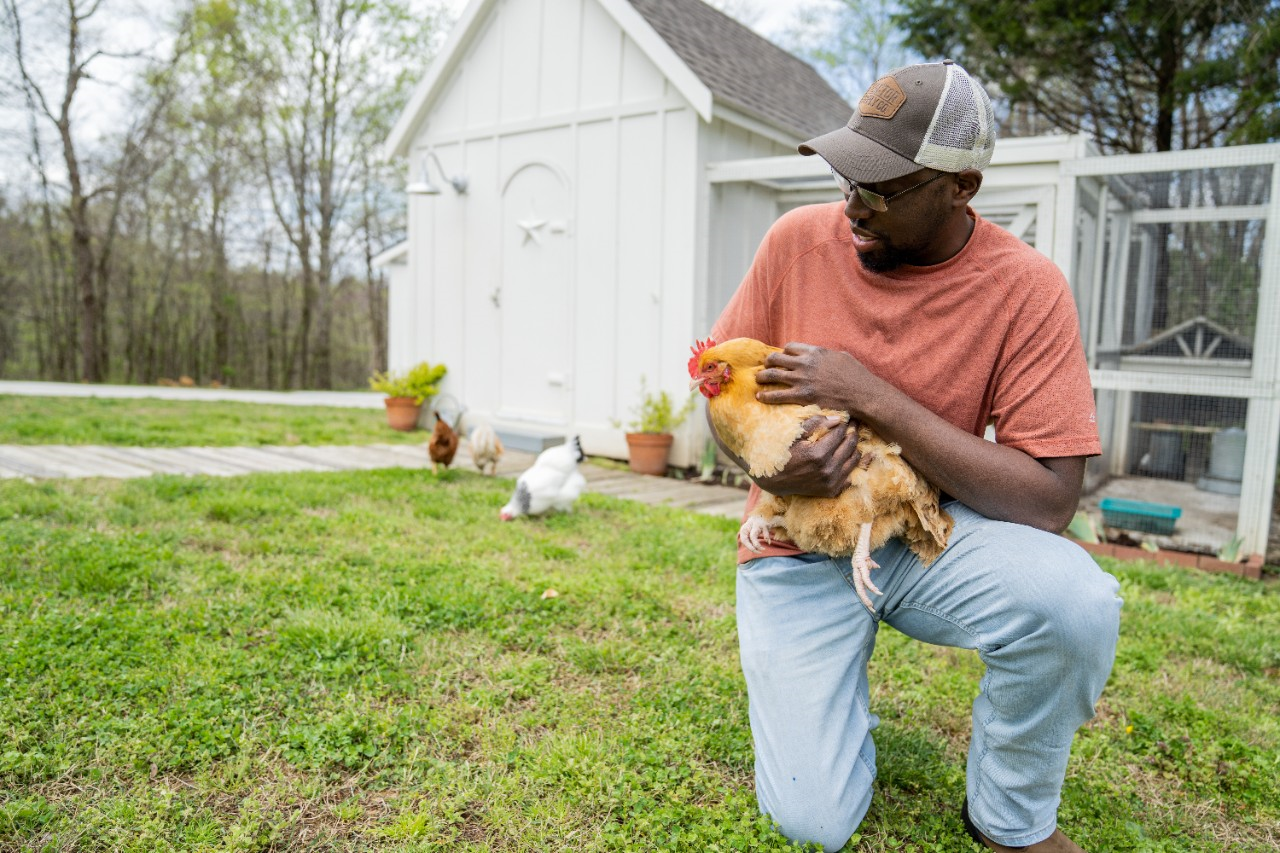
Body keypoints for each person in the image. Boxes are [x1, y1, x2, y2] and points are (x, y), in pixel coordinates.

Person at [708, 60, 1123, 852]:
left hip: (921, 529)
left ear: (961, 186)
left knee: (1077, 603)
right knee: (812, 825)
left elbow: (1047, 500)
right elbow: (717, 408)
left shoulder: (1026, 288)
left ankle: (1008, 818)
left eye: (883, 189)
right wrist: (768, 472)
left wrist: (875, 395)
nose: (853, 207)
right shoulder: (796, 242)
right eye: (846, 177)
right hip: (798, 542)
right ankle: (829, 706)